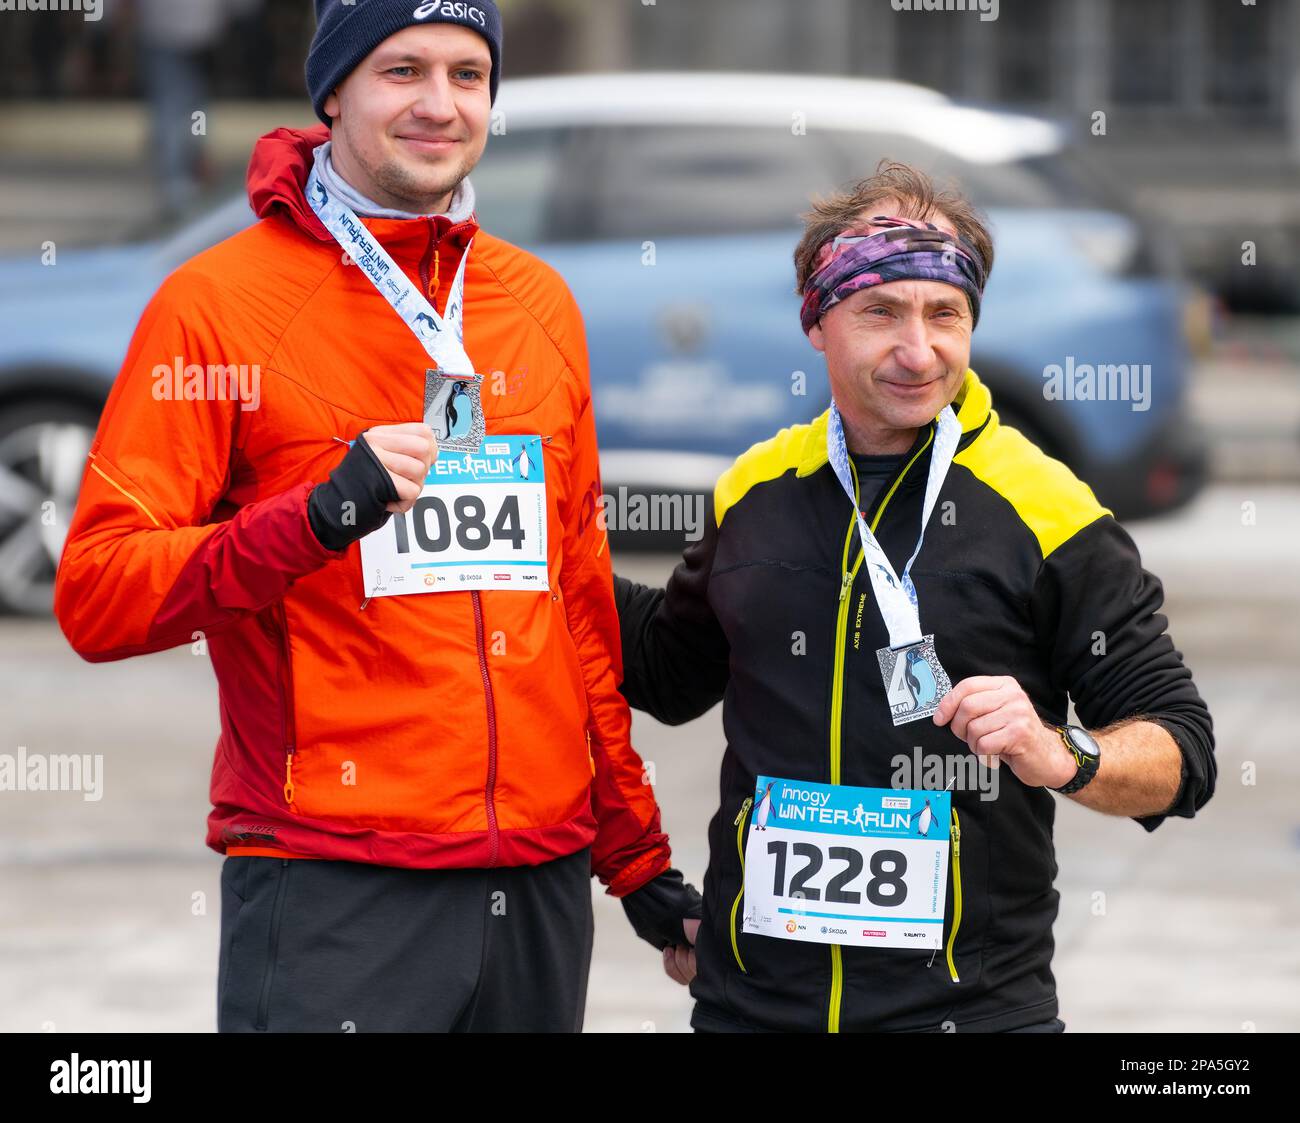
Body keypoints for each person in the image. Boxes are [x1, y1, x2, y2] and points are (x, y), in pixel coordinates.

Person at [54, 0, 698, 1033]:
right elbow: (96, 595)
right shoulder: (214, 306)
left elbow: (572, 612)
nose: (439, 104)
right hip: (335, 883)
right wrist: (309, 518)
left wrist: (634, 858)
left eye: (467, 75)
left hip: (535, 878)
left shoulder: (535, 302)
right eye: (402, 71)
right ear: (334, 90)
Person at [613, 161, 1216, 1033]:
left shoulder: (1044, 506)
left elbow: (1183, 754)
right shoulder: (756, 487)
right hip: (755, 1005)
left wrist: (1062, 752)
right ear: (817, 321)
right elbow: (671, 674)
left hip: (970, 1010)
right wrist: (550, 549)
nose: (918, 349)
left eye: (945, 314)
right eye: (882, 311)